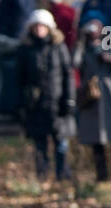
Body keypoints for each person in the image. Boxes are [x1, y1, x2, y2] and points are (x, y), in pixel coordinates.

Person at [18, 9, 74, 181]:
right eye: (36, 26)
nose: (39, 30)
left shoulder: (59, 47)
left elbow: (68, 75)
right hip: (36, 106)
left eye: (42, 26)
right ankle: (42, 177)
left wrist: (70, 100)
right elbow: (20, 79)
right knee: (40, 145)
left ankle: (62, 177)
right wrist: (21, 105)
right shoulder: (25, 50)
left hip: (58, 105)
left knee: (61, 144)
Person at [75, 16, 111, 180]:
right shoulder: (84, 45)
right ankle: (102, 176)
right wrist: (80, 41)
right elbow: (75, 63)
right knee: (97, 138)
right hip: (92, 96)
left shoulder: (110, 41)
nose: (93, 30)